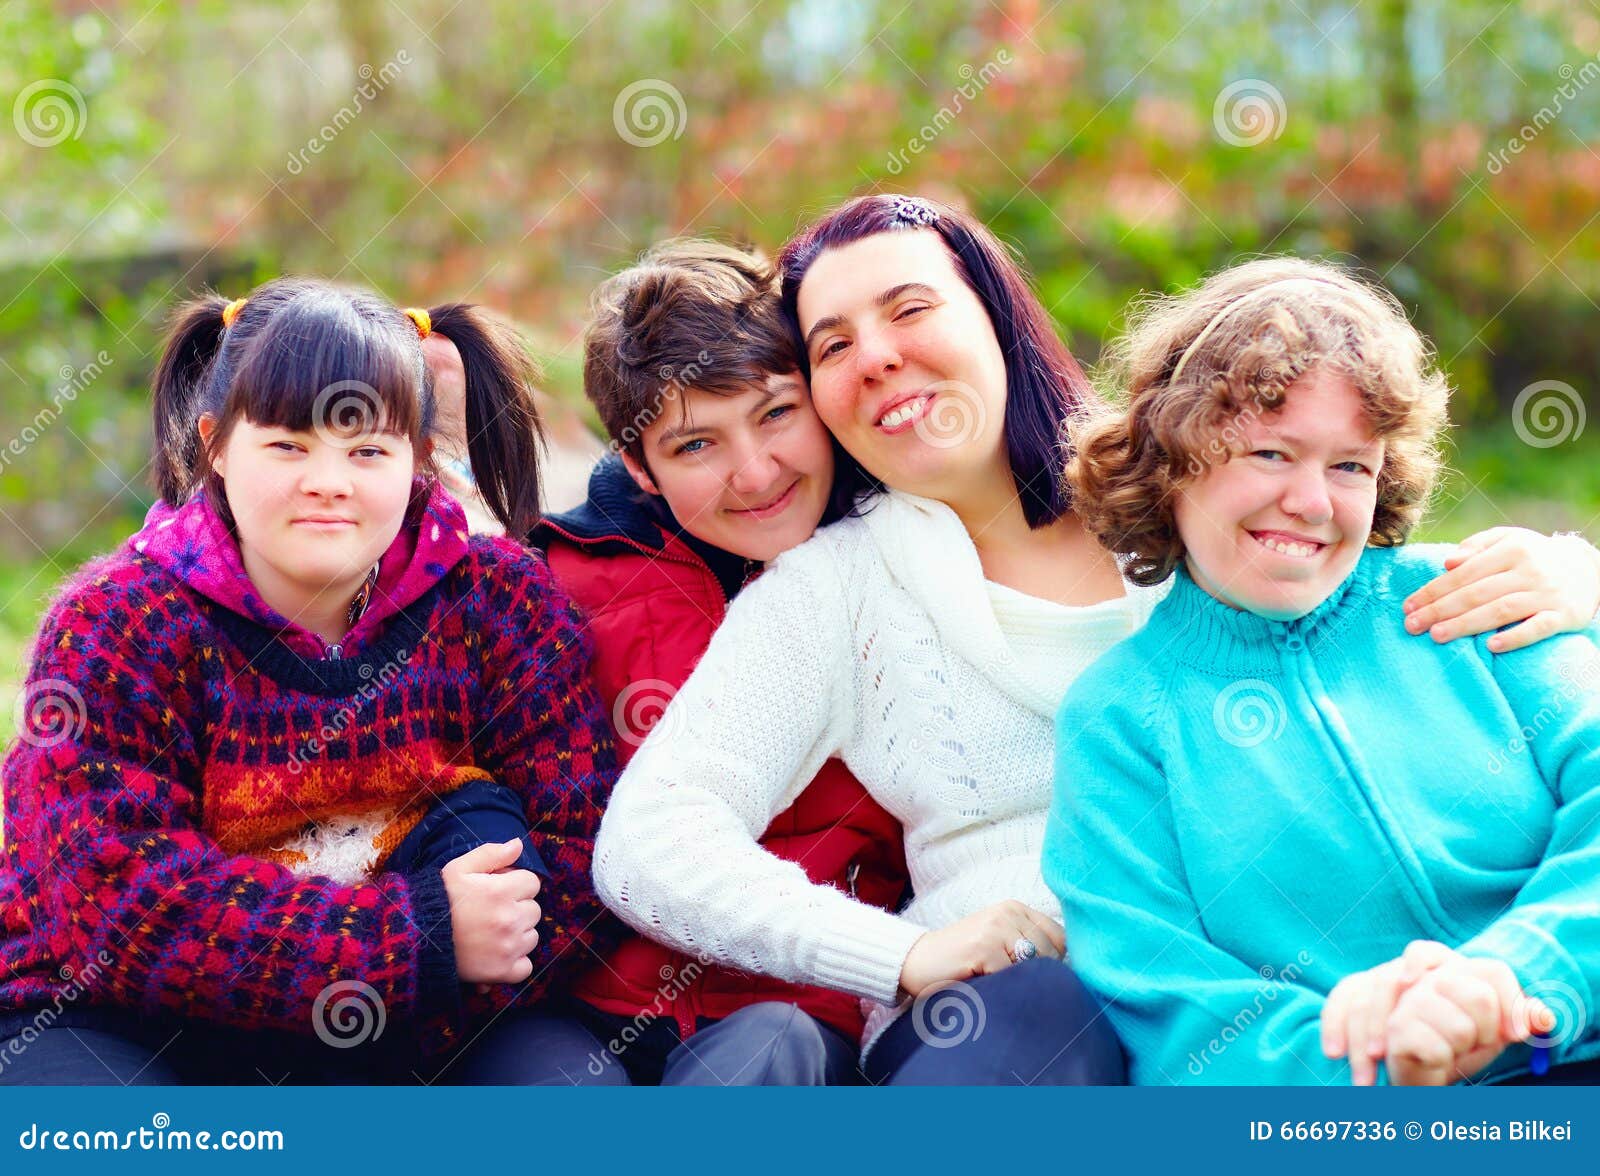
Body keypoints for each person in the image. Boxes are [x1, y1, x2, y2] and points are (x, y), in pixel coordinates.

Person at [590, 194, 1600, 1085]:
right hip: (1022, 1026)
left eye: (908, 309)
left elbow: (1350, 545)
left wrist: (1573, 574)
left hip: (1287, 985)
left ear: (994, 317)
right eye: (833, 345)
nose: (879, 355)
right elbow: (651, 841)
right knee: (1044, 1014)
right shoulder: (836, 591)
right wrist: (894, 956)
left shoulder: (1187, 467)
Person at [0, 279, 619, 1085]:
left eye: (367, 450)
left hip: (424, 1019)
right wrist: (418, 938)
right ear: (216, 444)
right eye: (289, 445)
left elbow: (581, 855)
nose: (329, 481)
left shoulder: (502, 603)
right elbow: (121, 905)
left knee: (572, 1099)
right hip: (128, 1017)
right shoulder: (117, 627)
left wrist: (446, 973)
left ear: (418, 457)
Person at [1048, 256, 1600, 1085]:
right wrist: (1383, 1065)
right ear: (1172, 458)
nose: (1313, 502)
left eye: (1351, 466)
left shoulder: (1473, 598)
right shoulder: (1121, 718)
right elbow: (1168, 1004)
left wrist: (1513, 980)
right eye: (1271, 453)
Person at [527, 239, 906, 1085]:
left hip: (802, 1000)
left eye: (777, 413)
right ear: (640, 466)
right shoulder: (555, 586)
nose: (756, 472)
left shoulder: (904, 564)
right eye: (696, 446)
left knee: (762, 1061)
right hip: (589, 1000)